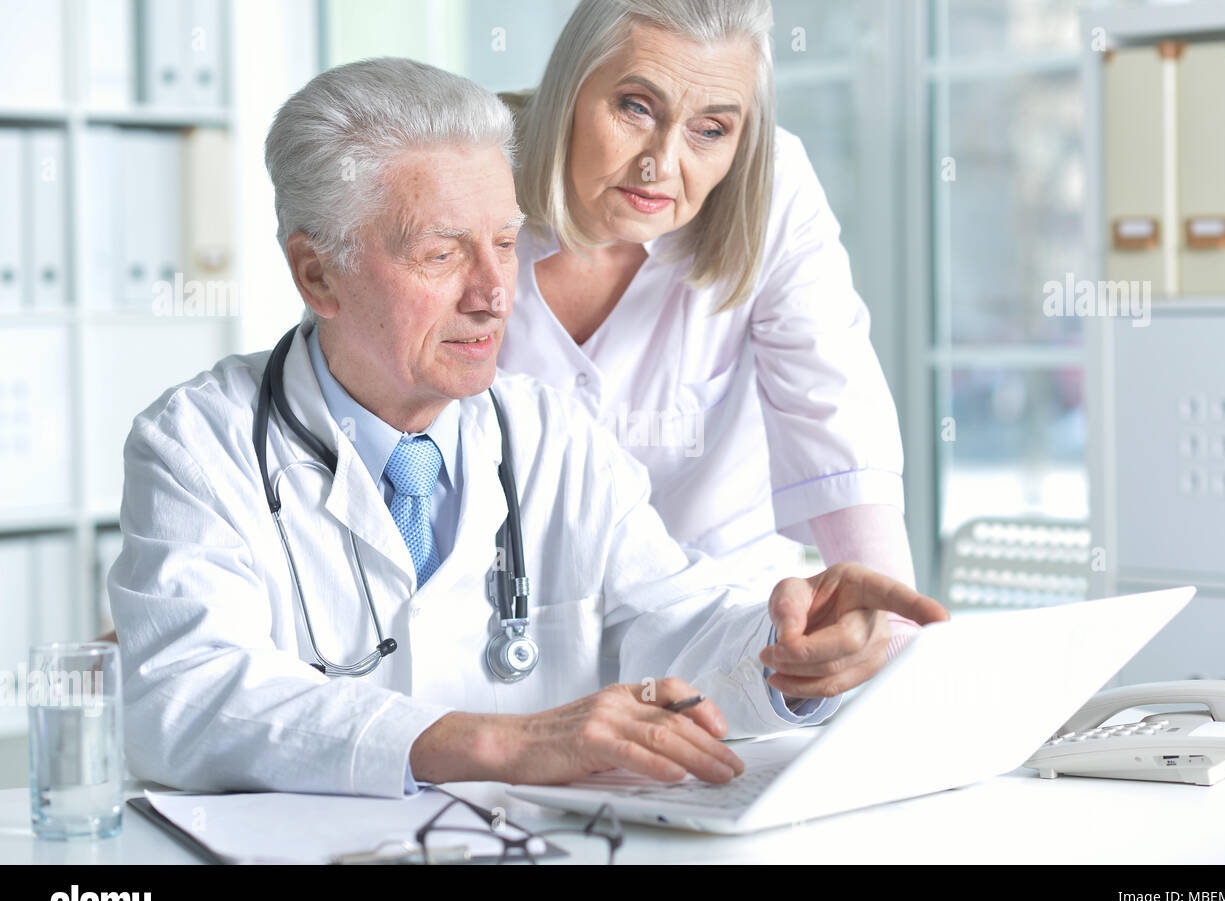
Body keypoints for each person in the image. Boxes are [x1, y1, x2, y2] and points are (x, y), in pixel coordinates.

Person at [107, 58, 947, 798]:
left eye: (506, 244)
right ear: (317, 274)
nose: (494, 292)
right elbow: (185, 692)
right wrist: (489, 741)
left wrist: (786, 644)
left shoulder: (549, 434)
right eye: (441, 254)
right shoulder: (197, 446)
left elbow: (674, 618)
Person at [499, 0, 922, 658]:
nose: (661, 164)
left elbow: (834, 409)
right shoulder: (472, 173)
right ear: (569, 88)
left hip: (725, 629)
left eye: (710, 129)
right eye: (636, 107)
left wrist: (888, 634)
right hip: (507, 632)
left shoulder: (774, 188)